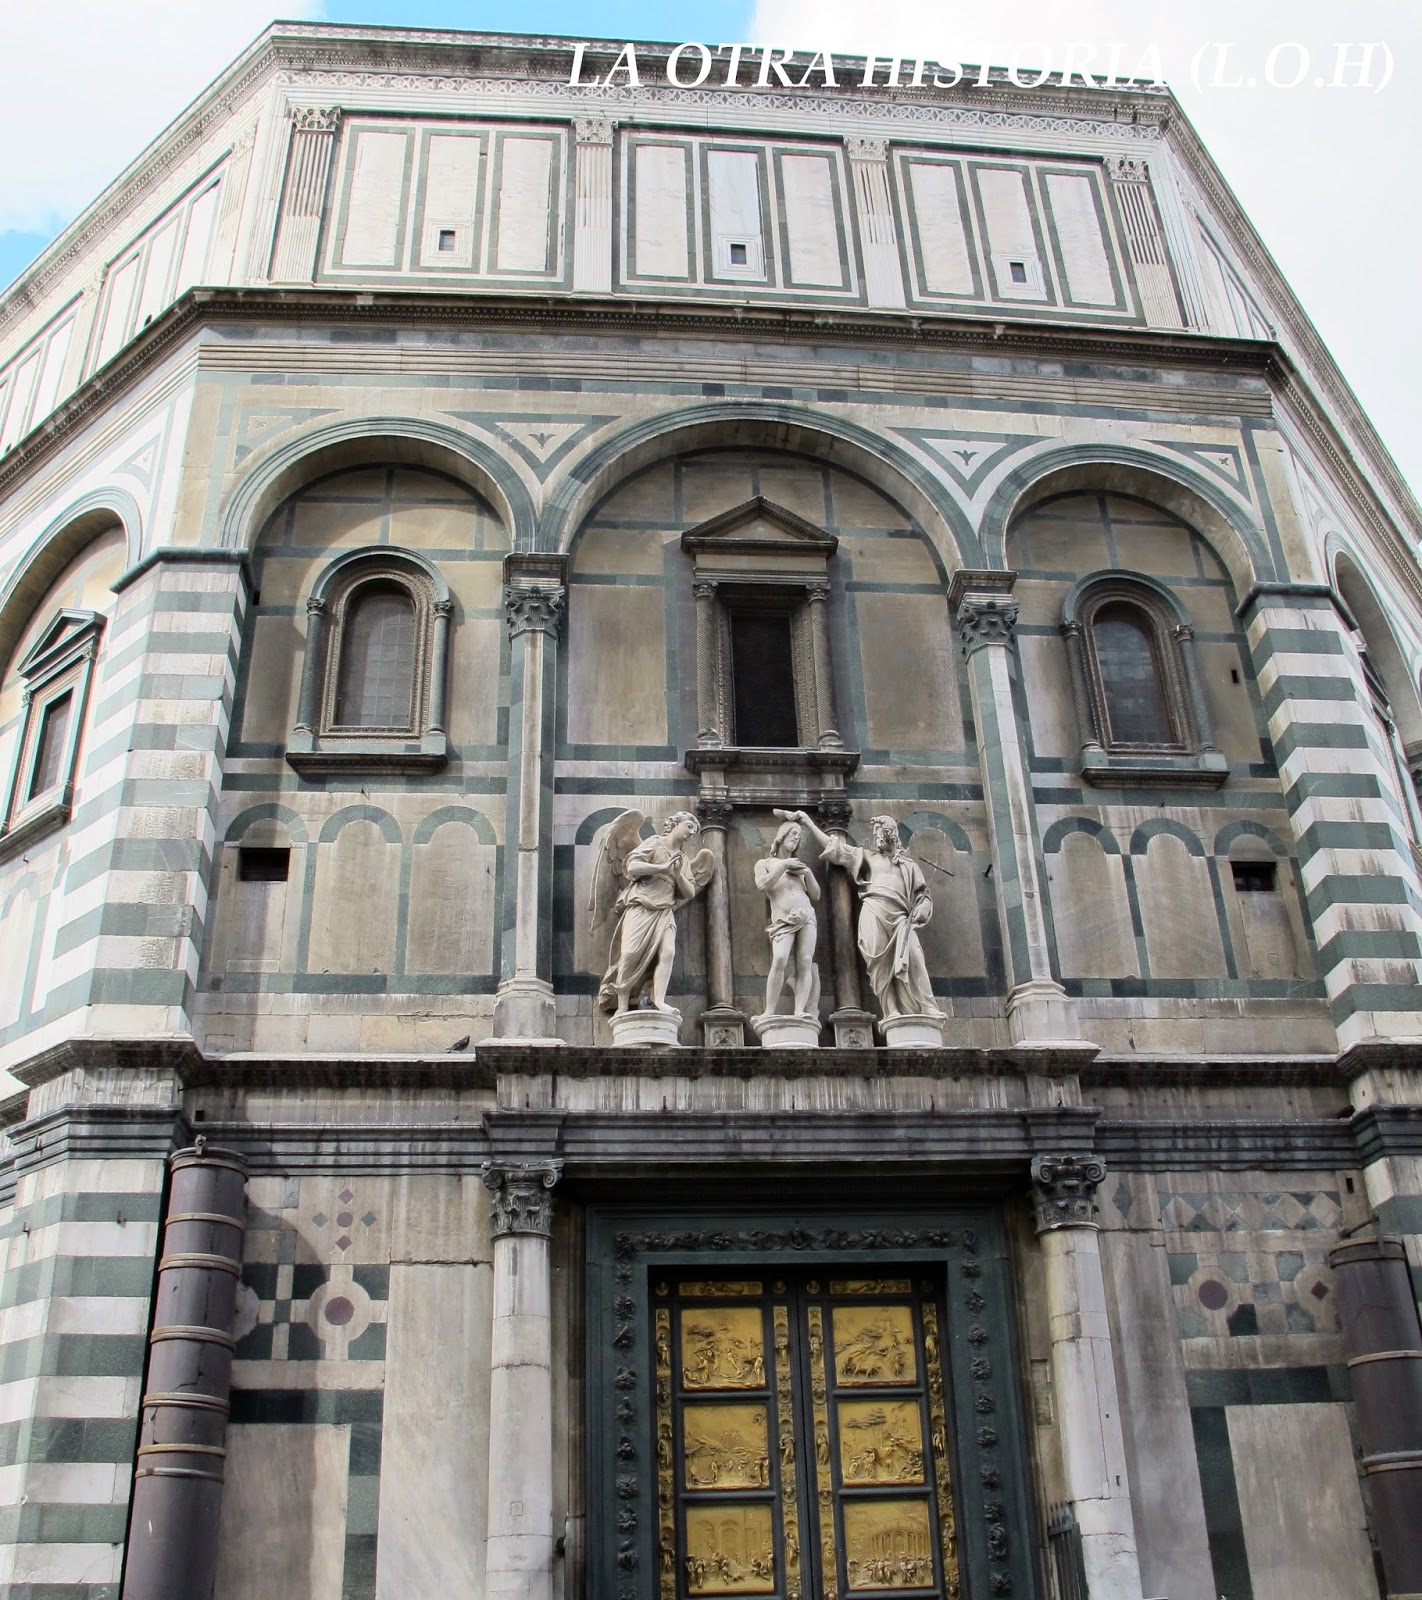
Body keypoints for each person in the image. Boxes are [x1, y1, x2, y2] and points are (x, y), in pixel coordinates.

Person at [783, 809, 941, 1020]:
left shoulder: (909, 866)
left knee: (914, 957)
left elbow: (923, 895)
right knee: (880, 965)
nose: (876, 838)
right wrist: (809, 823)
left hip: (902, 918)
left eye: (878, 833)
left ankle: (927, 1005)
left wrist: (923, 908)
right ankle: (892, 1011)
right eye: (874, 834)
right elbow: (836, 849)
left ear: (890, 833)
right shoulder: (868, 857)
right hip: (874, 912)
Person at [597, 811, 704, 1014]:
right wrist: (662, 868)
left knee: (668, 952)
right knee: (629, 953)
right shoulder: (655, 843)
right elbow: (631, 867)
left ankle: (659, 1000)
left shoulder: (682, 859)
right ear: (675, 823)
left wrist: (677, 874)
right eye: (689, 826)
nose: (692, 833)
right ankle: (622, 1003)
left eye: (695, 831)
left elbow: (689, 892)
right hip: (641, 905)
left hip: (664, 910)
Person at [753, 819, 821, 1020]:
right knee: (780, 958)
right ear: (781, 836)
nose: (795, 839)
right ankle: (769, 1011)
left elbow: (816, 895)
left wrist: (807, 872)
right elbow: (762, 885)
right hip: (783, 918)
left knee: (805, 961)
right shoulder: (765, 863)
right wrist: (783, 865)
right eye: (793, 834)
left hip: (807, 915)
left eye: (798, 837)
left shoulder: (800, 867)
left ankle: (800, 1010)